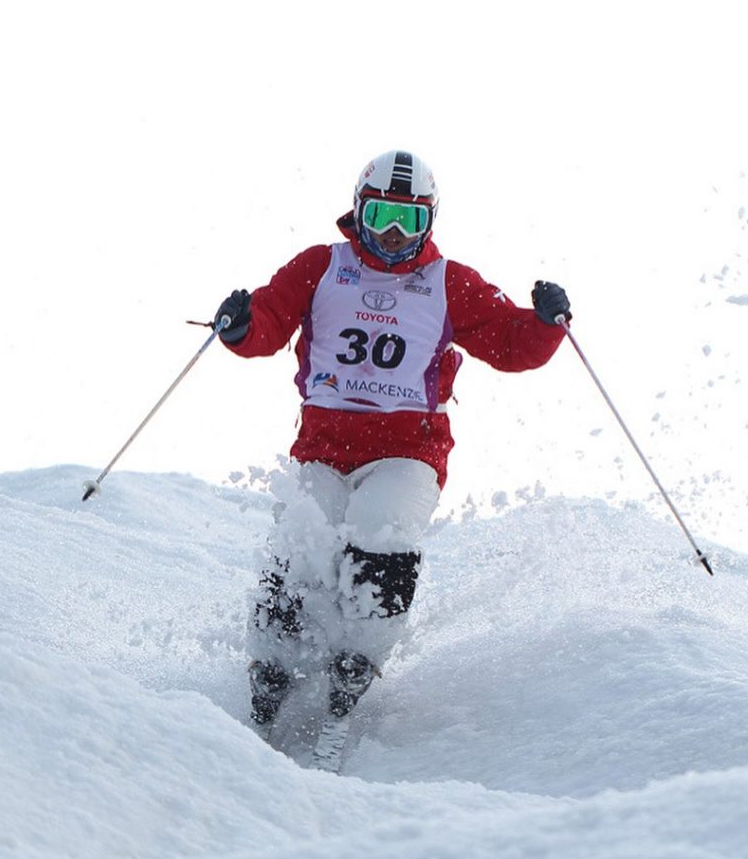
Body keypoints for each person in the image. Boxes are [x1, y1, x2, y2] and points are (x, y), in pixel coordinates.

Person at [214, 149, 571, 729]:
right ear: (359, 211)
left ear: (431, 221)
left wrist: (544, 323)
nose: (395, 234)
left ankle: (353, 667)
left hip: (408, 449)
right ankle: (273, 671)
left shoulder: (447, 281)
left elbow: (508, 343)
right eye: (381, 217)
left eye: (411, 221)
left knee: (381, 529)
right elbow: (271, 320)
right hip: (325, 449)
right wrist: (241, 325)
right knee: (304, 545)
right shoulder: (320, 267)